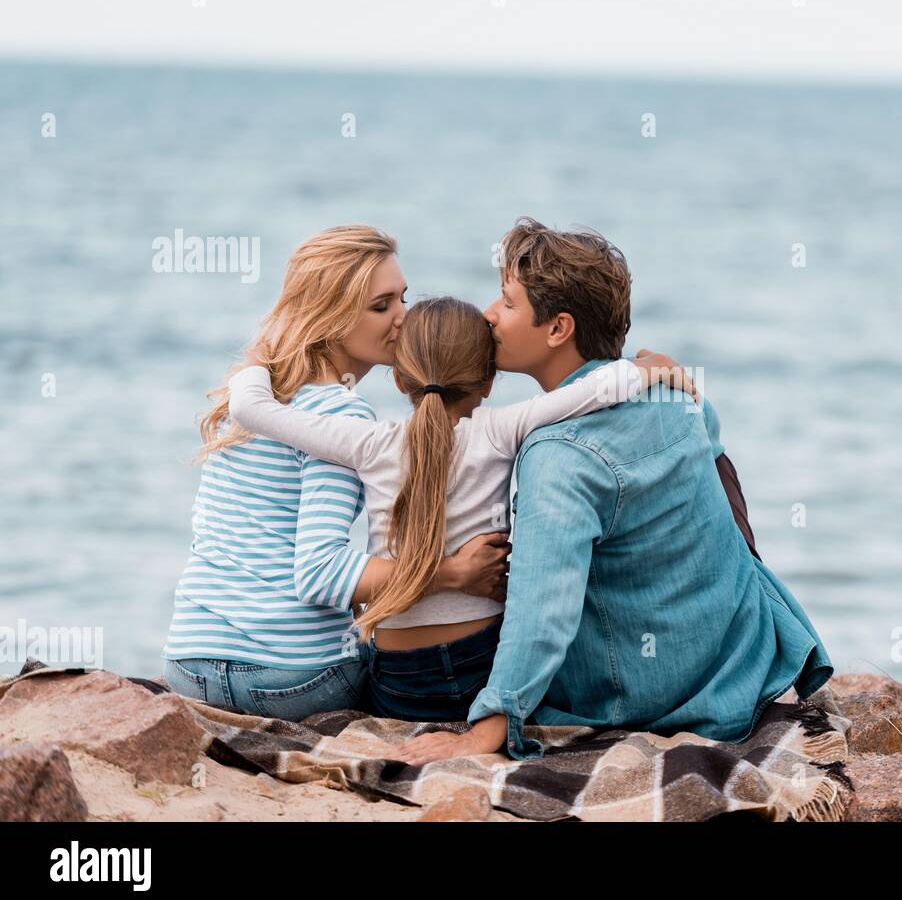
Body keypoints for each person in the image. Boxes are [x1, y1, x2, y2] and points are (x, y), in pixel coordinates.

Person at [393, 218, 834, 764]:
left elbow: (543, 609)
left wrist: (483, 732)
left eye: (507, 303)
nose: (488, 314)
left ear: (558, 329)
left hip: (650, 697)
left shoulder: (557, 456)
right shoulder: (679, 396)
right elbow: (718, 463)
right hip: (741, 661)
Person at [226, 293, 697, 721]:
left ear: (397, 378)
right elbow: (587, 392)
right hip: (480, 672)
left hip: (399, 686)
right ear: (488, 381)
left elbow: (250, 409)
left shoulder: (366, 443)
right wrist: (648, 368)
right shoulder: (499, 430)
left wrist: (268, 352)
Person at [161, 226, 505, 720]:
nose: (403, 318)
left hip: (188, 666)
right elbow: (320, 575)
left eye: (402, 299)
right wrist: (452, 574)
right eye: (381, 305)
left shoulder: (262, 394)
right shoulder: (339, 416)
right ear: (331, 314)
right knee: (410, 662)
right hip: (291, 680)